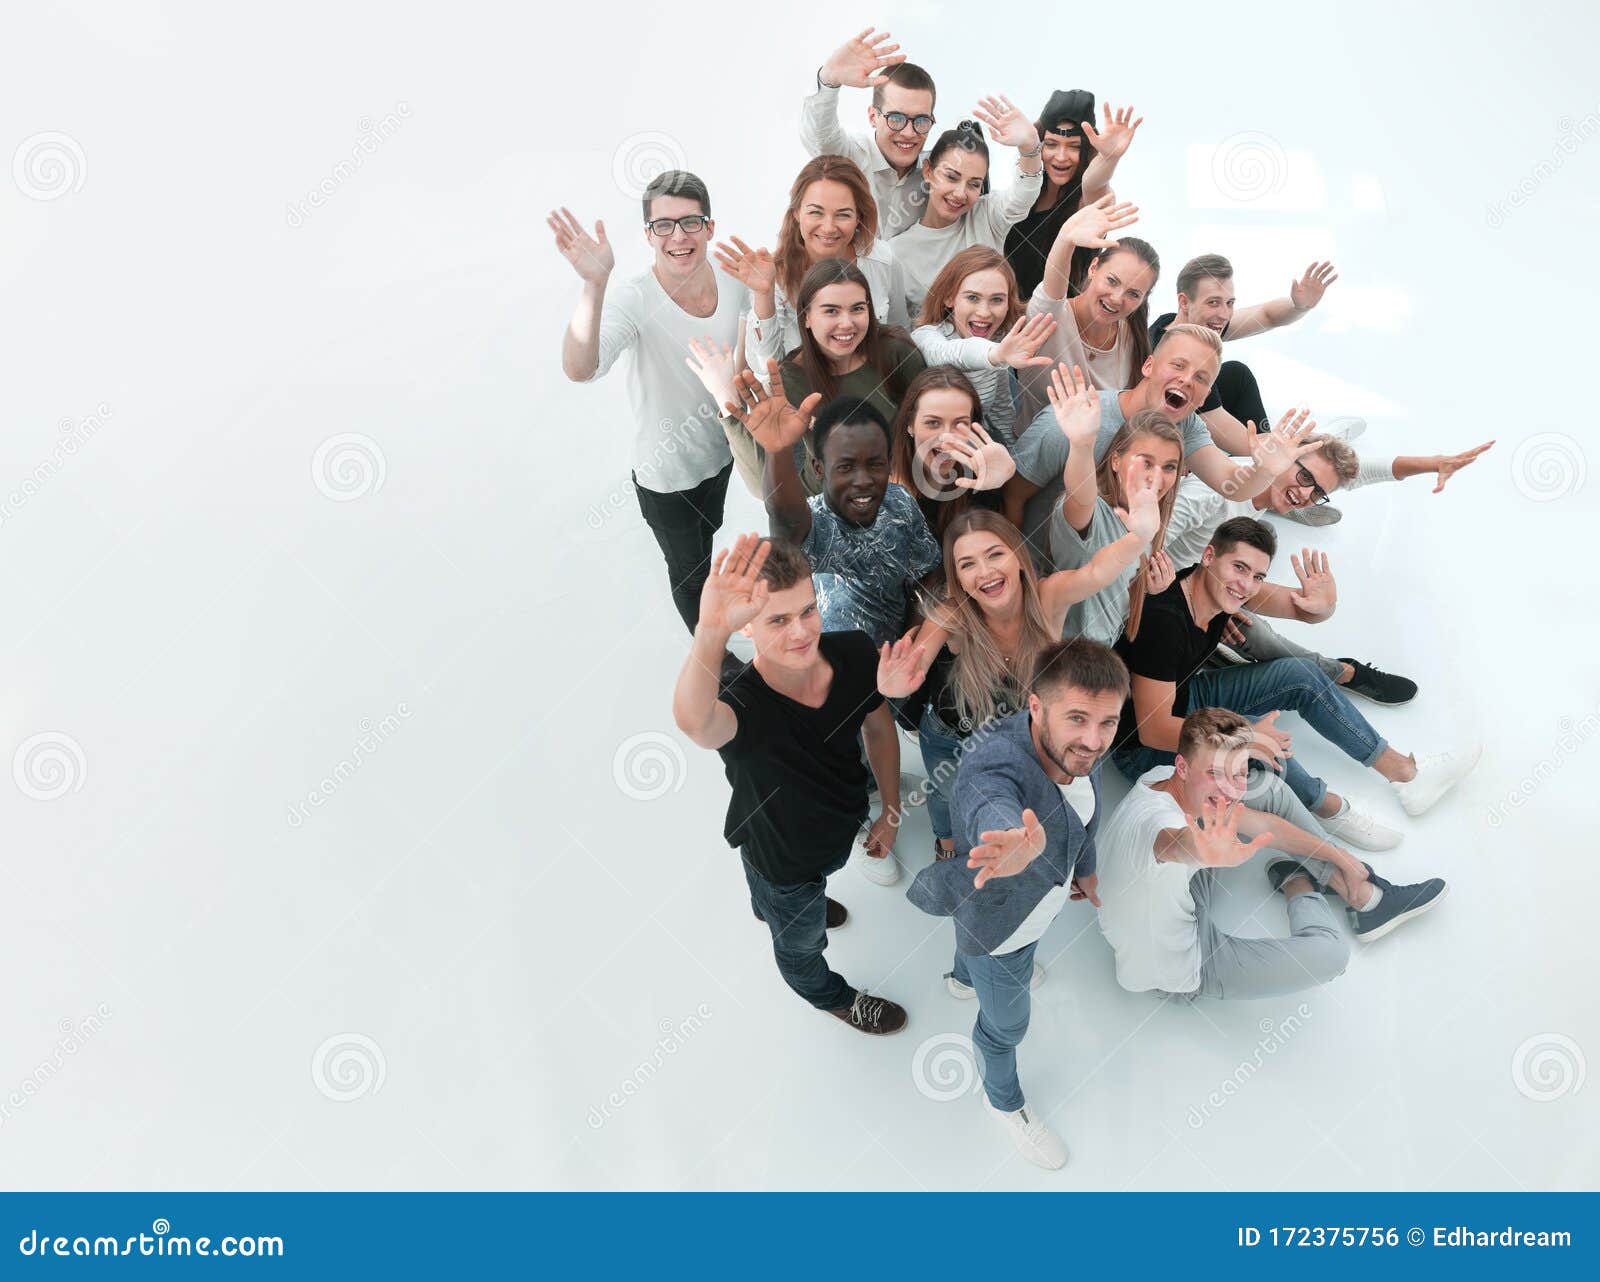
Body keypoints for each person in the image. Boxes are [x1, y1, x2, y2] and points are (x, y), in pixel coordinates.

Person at [1111, 516, 1483, 852]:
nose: (1246, 585)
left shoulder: (1215, 588)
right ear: (1209, 557)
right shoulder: (1164, 622)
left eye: (1257, 576)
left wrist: (1326, 606)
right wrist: (1243, 735)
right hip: (1140, 747)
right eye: (1238, 568)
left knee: (1299, 675)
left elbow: (1303, 607)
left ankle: (1405, 773)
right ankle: (1329, 809)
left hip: (1187, 695)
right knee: (1254, 748)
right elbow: (1152, 730)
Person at [905, 638, 1128, 1170]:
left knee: (971, 954)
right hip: (1005, 925)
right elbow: (991, 803)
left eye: (1108, 723)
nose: (1093, 741)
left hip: (1029, 899)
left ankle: (961, 978)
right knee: (1006, 1027)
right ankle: (1004, 1102)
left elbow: (1087, 806)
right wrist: (1008, 844)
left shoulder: (1078, 744)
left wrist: (1085, 866)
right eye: (1077, 718)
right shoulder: (991, 766)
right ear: (1035, 706)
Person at [672, 533, 908, 1034]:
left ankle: (775, 909)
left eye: (807, 610)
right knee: (800, 946)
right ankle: (832, 998)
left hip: (834, 829)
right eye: (777, 620)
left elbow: (878, 726)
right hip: (784, 862)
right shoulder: (740, 708)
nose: (800, 632)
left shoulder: (854, 653)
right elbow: (694, 722)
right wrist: (709, 632)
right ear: (748, 627)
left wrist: (890, 810)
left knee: (779, 897)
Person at [1095, 708, 1449, 1000]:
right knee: (1332, 956)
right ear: (1184, 767)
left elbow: (1269, 825)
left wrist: (1341, 858)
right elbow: (1172, 844)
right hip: (1176, 965)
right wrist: (1209, 851)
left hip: (1176, 891)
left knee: (1269, 792)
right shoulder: (1162, 831)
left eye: (1238, 773)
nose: (1229, 788)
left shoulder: (1166, 777)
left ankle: (1361, 891)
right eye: (1215, 774)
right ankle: (1297, 883)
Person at [887, 499, 1158, 861]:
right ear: (958, 579)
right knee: (946, 794)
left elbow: (1097, 571)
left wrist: (1141, 535)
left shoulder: (1049, 597)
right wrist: (896, 685)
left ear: (1017, 555)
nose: (984, 572)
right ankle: (946, 843)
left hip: (1013, 729)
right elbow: (917, 660)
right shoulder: (951, 614)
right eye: (967, 564)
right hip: (952, 736)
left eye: (994, 554)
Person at [550, 172, 749, 633]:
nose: (678, 236)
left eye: (690, 222)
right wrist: (594, 285)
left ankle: (714, 639)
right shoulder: (634, 299)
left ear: (710, 227)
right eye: (664, 225)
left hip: (723, 459)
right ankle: (713, 665)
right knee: (690, 574)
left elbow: (748, 356)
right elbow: (580, 368)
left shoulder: (733, 280)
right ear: (648, 234)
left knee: (708, 545)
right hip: (666, 479)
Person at [1163, 435, 1496, 704]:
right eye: (1304, 477)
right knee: (1258, 634)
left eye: (1319, 493)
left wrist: (1433, 463)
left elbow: (1359, 472)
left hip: (1215, 569)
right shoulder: (1215, 489)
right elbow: (1139, 552)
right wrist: (1203, 607)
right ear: (1282, 456)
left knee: (1271, 544)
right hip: (1176, 584)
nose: (1308, 492)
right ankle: (1343, 672)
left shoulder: (1276, 481)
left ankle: (1280, 512)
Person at [1003, 325, 1322, 571]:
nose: (1186, 380)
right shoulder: (1076, 420)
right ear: (1148, 367)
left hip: (1102, 581)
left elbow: (1233, 486)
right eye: (1178, 366)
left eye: (1200, 377)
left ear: (1205, 395)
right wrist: (1018, 570)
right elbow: (1012, 496)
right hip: (1040, 574)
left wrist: (1265, 470)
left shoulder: (1187, 426)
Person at [706, 260, 925, 498]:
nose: (846, 323)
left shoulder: (896, 350)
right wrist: (726, 398)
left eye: (857, 309)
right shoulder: (791, 382)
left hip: (907, 491)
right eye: (831, 311)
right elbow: (766, 488)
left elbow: (930, 425)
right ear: (807, 317)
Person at [1149, 253, 1342, 521]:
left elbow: (1264, 315)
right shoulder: (1177, 360)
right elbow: (1240, 441)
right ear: (1184, 302)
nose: (1224, 314)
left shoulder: (1190, 326)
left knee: (1236, 374)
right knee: (1257, 448)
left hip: (1191, 423)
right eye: (1214, 303)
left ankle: (1277, 479)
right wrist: (1289, 450)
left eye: (1229, 303)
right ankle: (1270, 490)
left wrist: (1300, 305)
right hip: (1167, 433)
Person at [714, 155, 912, 372]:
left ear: (859, 218)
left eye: (843, 215)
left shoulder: (883, 261)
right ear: (797, 213)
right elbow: (766, 367)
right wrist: (764, 295)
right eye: (816, 212)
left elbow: (900, 338)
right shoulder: (772, 274)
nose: (828, 227)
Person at [1042, 364, 1184, 644]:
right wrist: (1082, 445)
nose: (1157, 476)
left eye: (1169, 467)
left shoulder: (1146, 528)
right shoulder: (1092, 513)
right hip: (1056, 664)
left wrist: (1151, 590)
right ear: (1116, 461)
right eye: (1146, 462)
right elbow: (1079, 494)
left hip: (1096, 665)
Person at [891, 102, 1045, 317]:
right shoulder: (896, 252)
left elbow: (1023, 195)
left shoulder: (987, 216)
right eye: (951, 177)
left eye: (973, 184)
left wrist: (1030, 147)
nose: (960, 193)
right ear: (928, 171)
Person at [1014, 197, 1155, 423]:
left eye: (1133, 294)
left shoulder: (1132, 337)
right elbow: (1054, 283)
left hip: (1103, 452)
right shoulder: (1051, 315)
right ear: (1093, 268)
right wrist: (1067, 238)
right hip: (1045, 448)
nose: (1117, 299)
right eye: (1112, 281)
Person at [910, 247, 1056, 444]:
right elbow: (947, 354)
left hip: (971, 450)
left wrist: (1013, 460)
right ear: (949, 298)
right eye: (972, 298)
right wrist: (995, 355)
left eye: (996, 299)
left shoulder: (998, 347)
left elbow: (1001, 412)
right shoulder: (926, 336)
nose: (984, 312)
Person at [1004, 94, 1142, 300]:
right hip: (1002, 319)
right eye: (1051, 144)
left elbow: (1094, 183)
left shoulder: (1088, 201)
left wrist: (1109, 158)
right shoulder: (1025, 193)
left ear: (1088, 150)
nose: (1061, 156)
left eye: (1074, 146)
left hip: (1053, 320)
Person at [800, 28, 934, 238]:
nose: (909, 133)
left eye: (921, 121)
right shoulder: (852, 156)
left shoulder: (937, 171)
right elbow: (820, 138)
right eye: (896, 119)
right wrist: (829, 80)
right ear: (873, 117)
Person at [887, 366, 1017, 542]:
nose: (947, 438)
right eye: (933, 423)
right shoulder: (878, 475)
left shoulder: (986, 463)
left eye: (960, 424)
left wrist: (1003, 486)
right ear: (910, 424)